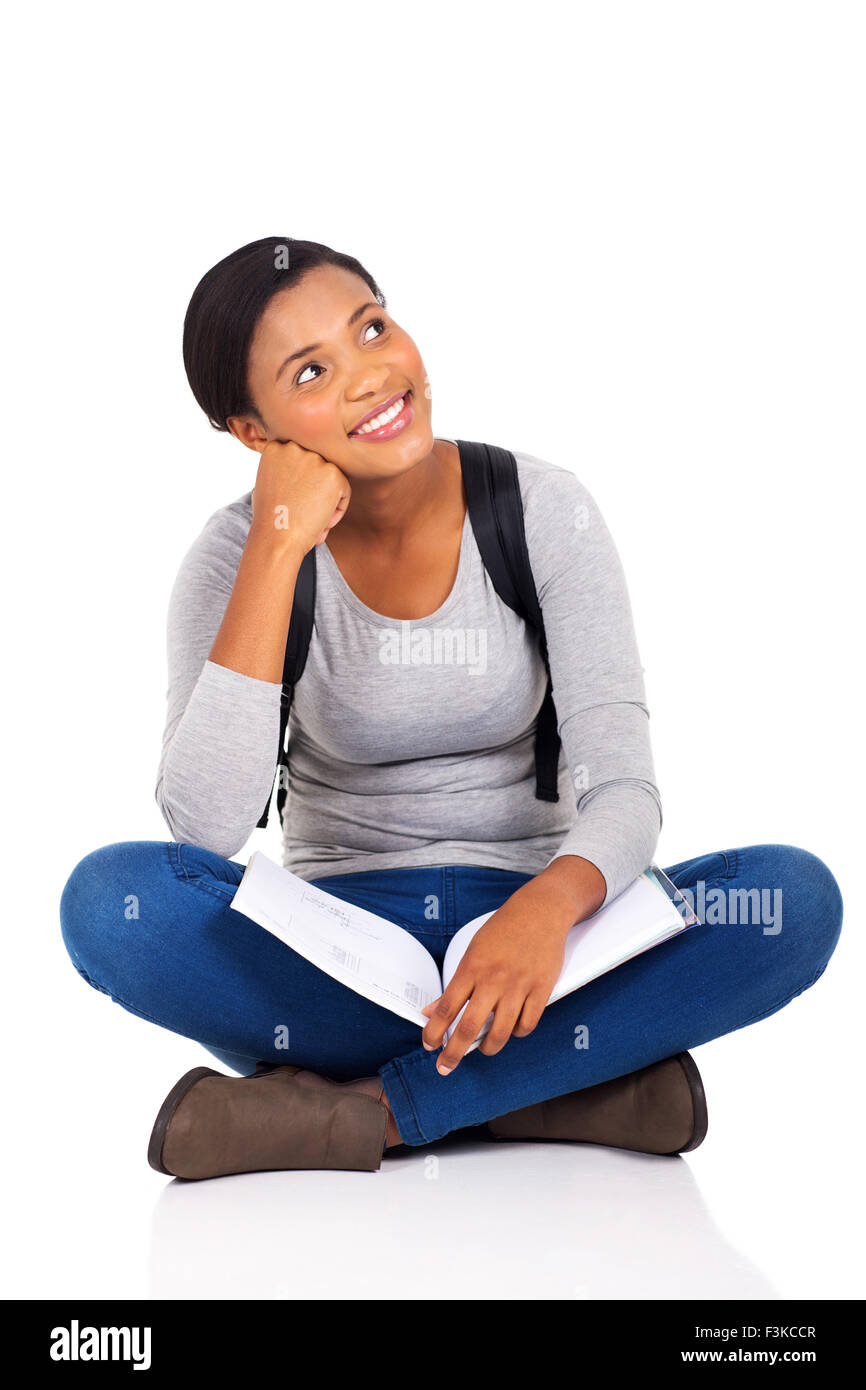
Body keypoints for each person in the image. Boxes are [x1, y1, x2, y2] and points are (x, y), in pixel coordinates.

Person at [59, 238, 844, 1180]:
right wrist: (275, 551)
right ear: (255, 433)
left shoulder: (543, 508)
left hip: (550, 944)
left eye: (373, 329)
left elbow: (625, 787)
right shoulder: (232, 558)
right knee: (109, 905)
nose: (370, 377)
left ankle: (370, 1112)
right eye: (312, 371)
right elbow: (204, 828)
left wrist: (545, 913)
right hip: (347, 954)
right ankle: (548, 1091)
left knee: (790, 901)